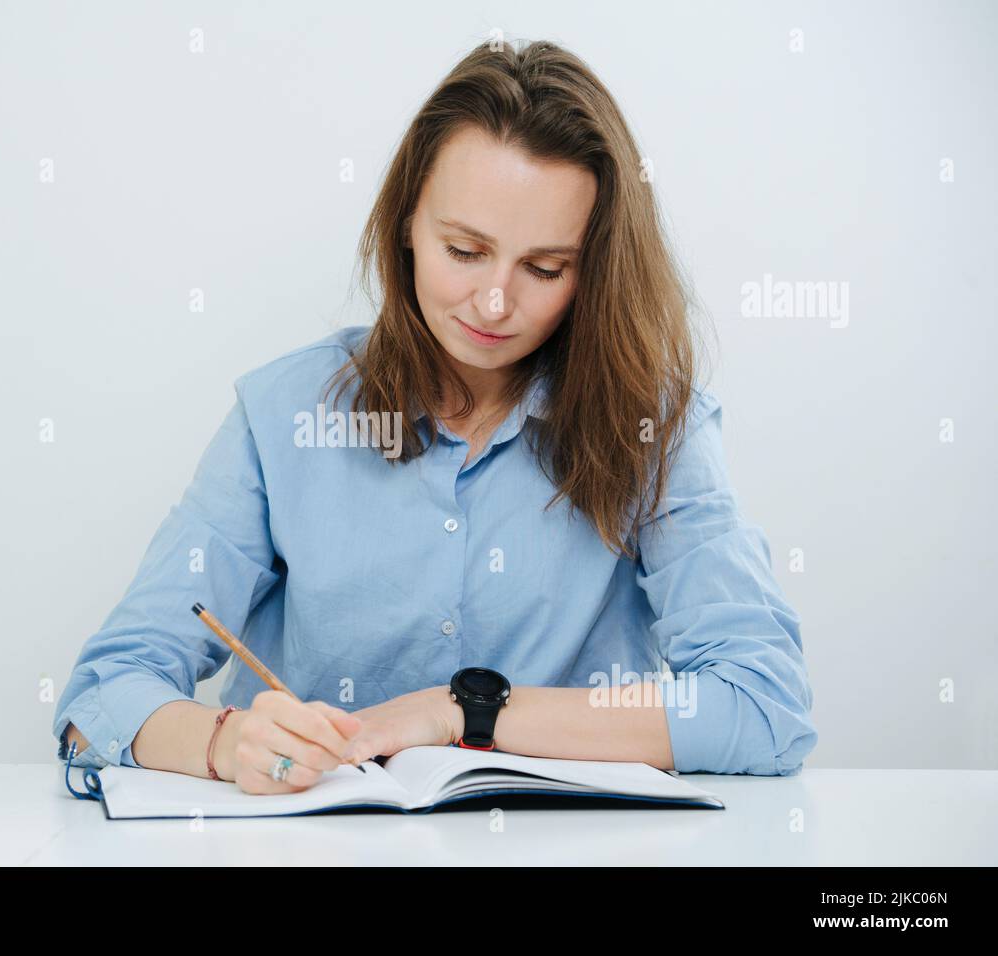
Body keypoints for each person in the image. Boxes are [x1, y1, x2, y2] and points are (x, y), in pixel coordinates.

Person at [54, 38, 817, 794]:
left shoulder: (654, 428)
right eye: (463, 250)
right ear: (407, 227)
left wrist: (461, 714)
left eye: (544, 268)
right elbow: (100, 699)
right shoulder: (282, 414)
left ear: (594, 271)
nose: (494, 303)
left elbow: (763, 705)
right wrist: (223, 743)